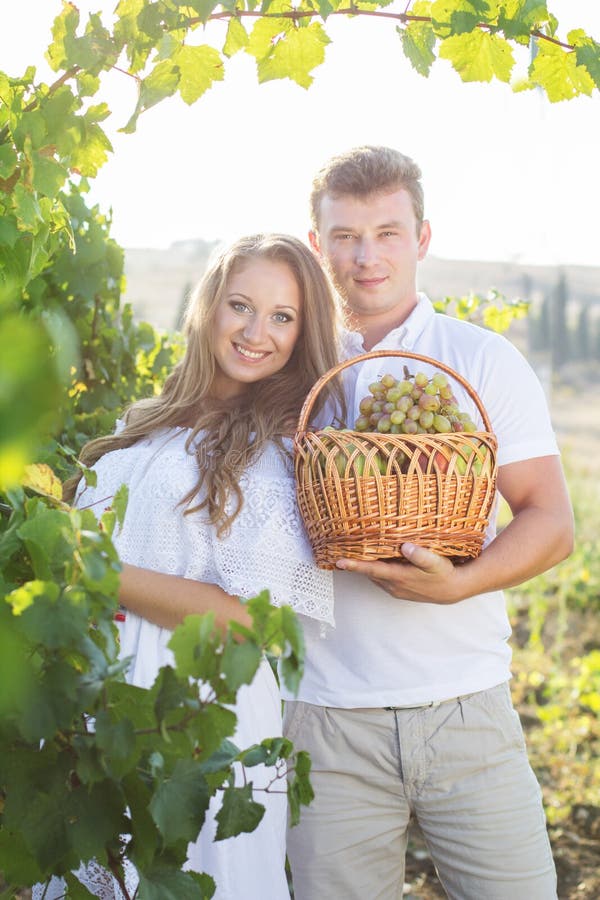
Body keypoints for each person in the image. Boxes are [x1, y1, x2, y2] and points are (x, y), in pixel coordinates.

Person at [281, 146, 574, 900]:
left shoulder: (481, 361)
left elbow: (550, 520)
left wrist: (462, 585)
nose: (366, 256)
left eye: (387, 232)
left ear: (423, 237)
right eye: (345, 235)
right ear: (317, 245)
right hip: (326, 717)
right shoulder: (288, 368)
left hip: (465, 705)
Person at [44, 233, 345, 900]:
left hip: (198, 721)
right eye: (240, 304)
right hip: (102, 704)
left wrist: (97, 571)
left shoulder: (282, 457)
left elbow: (251, 625)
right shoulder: (143, 422)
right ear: (208, 306)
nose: (255, 331)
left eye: (282, 316)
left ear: (303, 333)